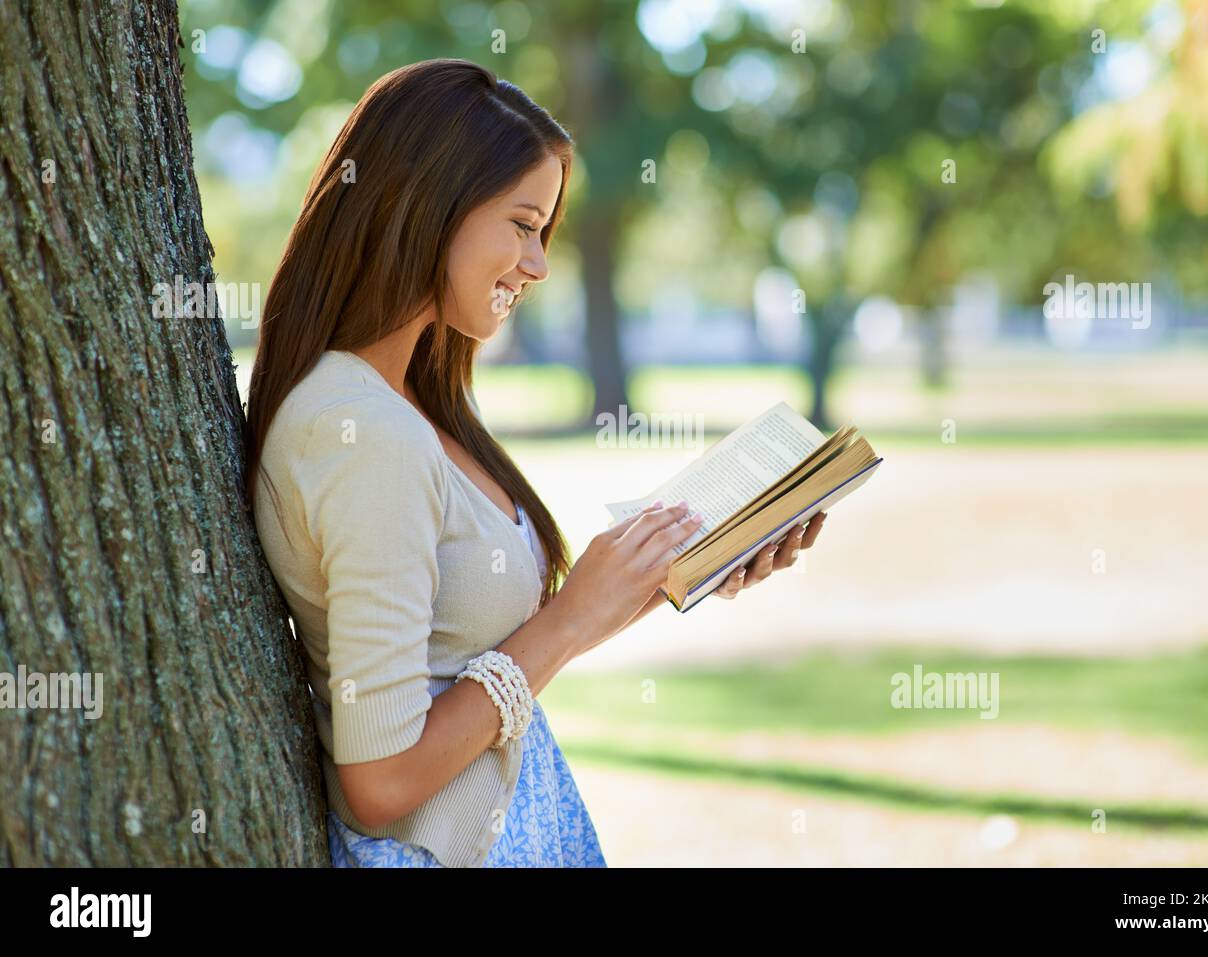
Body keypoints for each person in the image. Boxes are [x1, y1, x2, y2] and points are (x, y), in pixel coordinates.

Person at [242, 58, 824, 868]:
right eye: (522, 225)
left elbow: (464, 639)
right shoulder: (361, 430)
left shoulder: (407, 401)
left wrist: (682, 569)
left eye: (543, 232)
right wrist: (571, 619)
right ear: (427, 203)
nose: (539, 263)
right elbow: (378, 778)